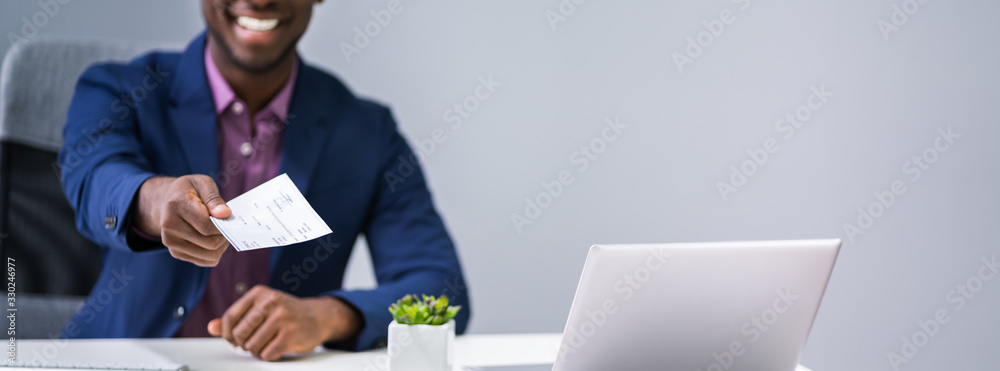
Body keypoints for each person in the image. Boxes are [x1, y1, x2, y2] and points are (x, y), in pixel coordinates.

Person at [57, 0, 469, 361]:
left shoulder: (367, 131)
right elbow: (93, 179)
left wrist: (330, 316)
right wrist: (154, 200)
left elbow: (441, 288)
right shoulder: (116, 89)